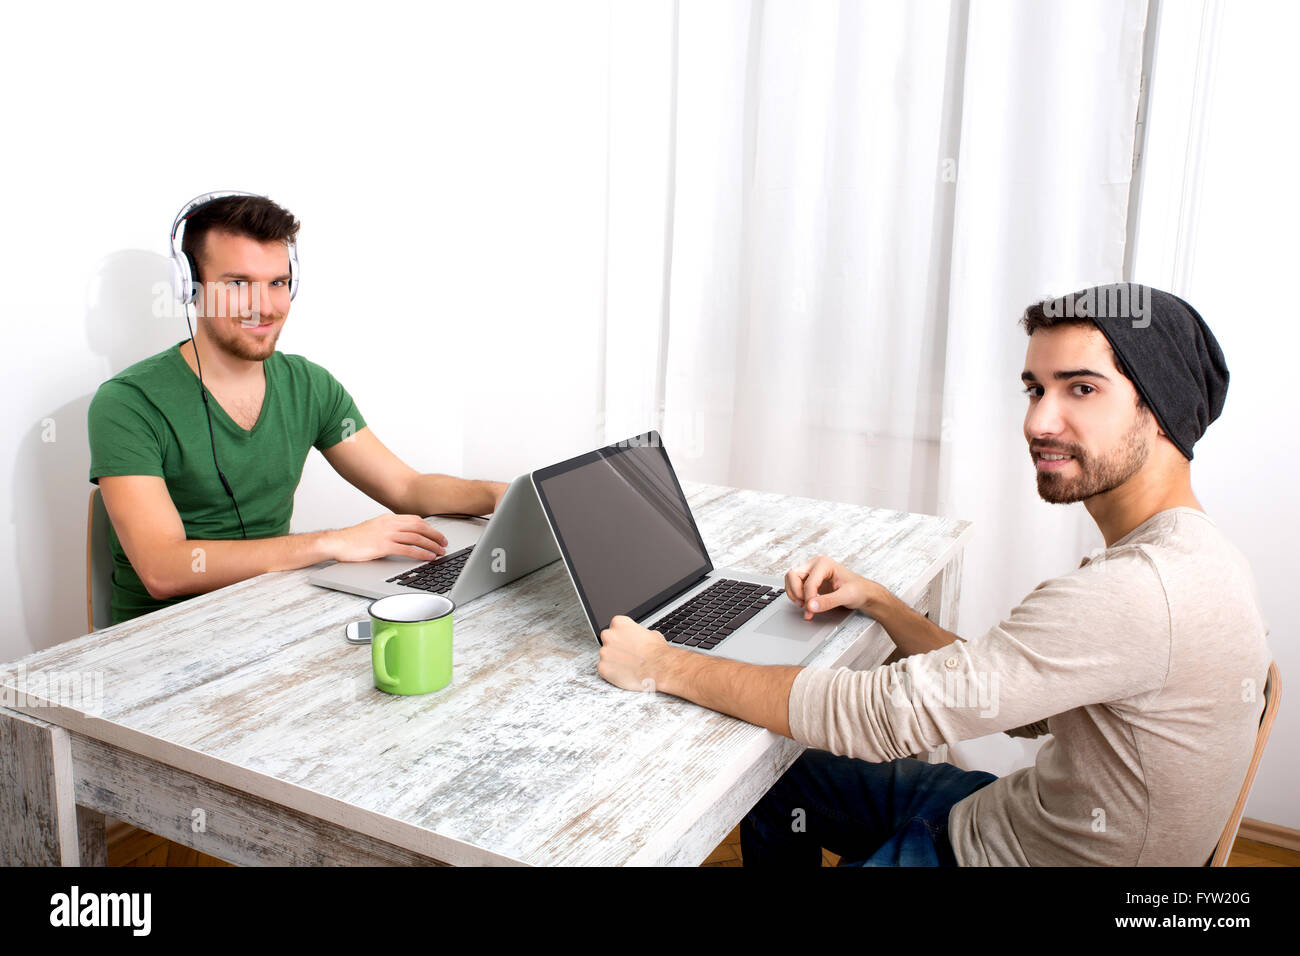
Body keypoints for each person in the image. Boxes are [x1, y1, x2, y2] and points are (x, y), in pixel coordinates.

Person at [596, 283, 1271, 866]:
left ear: (1163, 412)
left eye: (1082, 389)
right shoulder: (1192, 555)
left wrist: (664, 663)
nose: (1038, 420)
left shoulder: (1135, 592)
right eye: (1035, 389)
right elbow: (1019, 702)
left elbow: (879, 718)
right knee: (779, 784)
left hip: (998, 854)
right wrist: (881, 603)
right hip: (1015, 819)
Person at [88, 193, 507, 624]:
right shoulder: (127, 403)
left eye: (278, 282)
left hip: (269, 617)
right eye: (238, 284)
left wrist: (498, 495)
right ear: (189, 288)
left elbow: (405, 488)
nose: (266, 307)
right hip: (159, 642)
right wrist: (333, 543)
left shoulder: (309, 385)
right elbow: (163, 568)